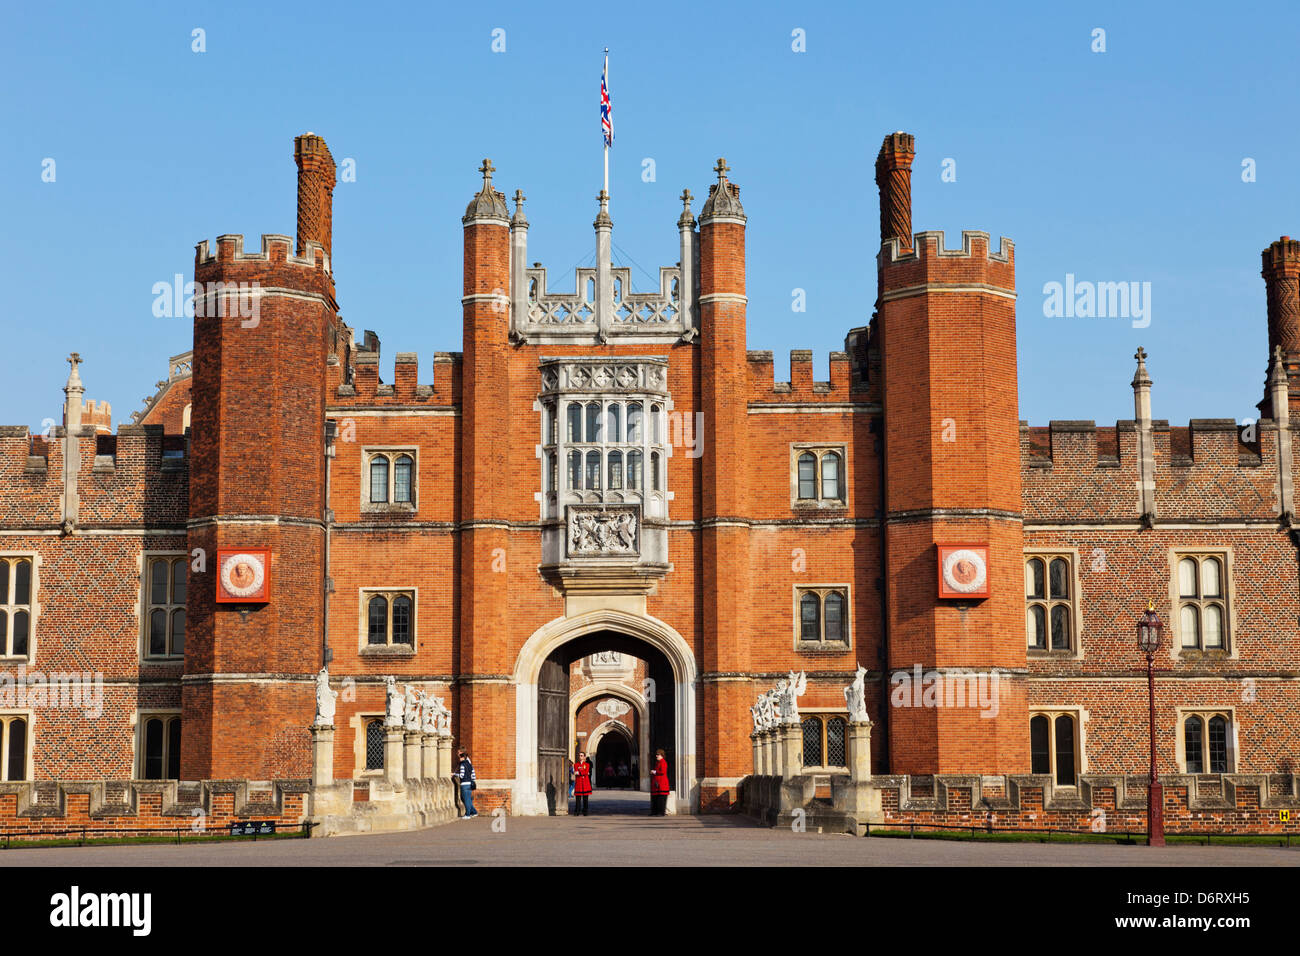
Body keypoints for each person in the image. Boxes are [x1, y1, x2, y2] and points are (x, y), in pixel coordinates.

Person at [457, 748, 478, 819]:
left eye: (459, 757)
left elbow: (462, 775)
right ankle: (474, 812)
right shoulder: (470, 765)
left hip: (464, 784)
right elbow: (473, 776)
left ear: (462, 757)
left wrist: (454, 774)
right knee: (468, 799)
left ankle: (467, 814)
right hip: (469, 784)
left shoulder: (462, 765)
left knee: (466, 800)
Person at [649, 748, 670, 815]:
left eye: (658, 754)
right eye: (656, 754)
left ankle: (661, 812)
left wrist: (654, 771)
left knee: (661, 799)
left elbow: (663, 772)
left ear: (662, 755)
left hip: (662, 783)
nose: (656, 756)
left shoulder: (663, 762)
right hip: (657, 783)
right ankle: (655, 812)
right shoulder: (658, 762)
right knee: (655, 798)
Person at [572, 751, 593, 816]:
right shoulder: (576, 765)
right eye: (579, 755)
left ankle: (585, 812)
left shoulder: (587, 765)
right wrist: (581, 772)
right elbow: (576, 771)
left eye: (581, 756)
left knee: (585, 799)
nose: (580, 757)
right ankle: (577, 812)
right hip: (579, 783)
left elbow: (586, 772)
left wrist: (580, 772)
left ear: (584, 757)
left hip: (585, 784)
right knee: (578, 799)